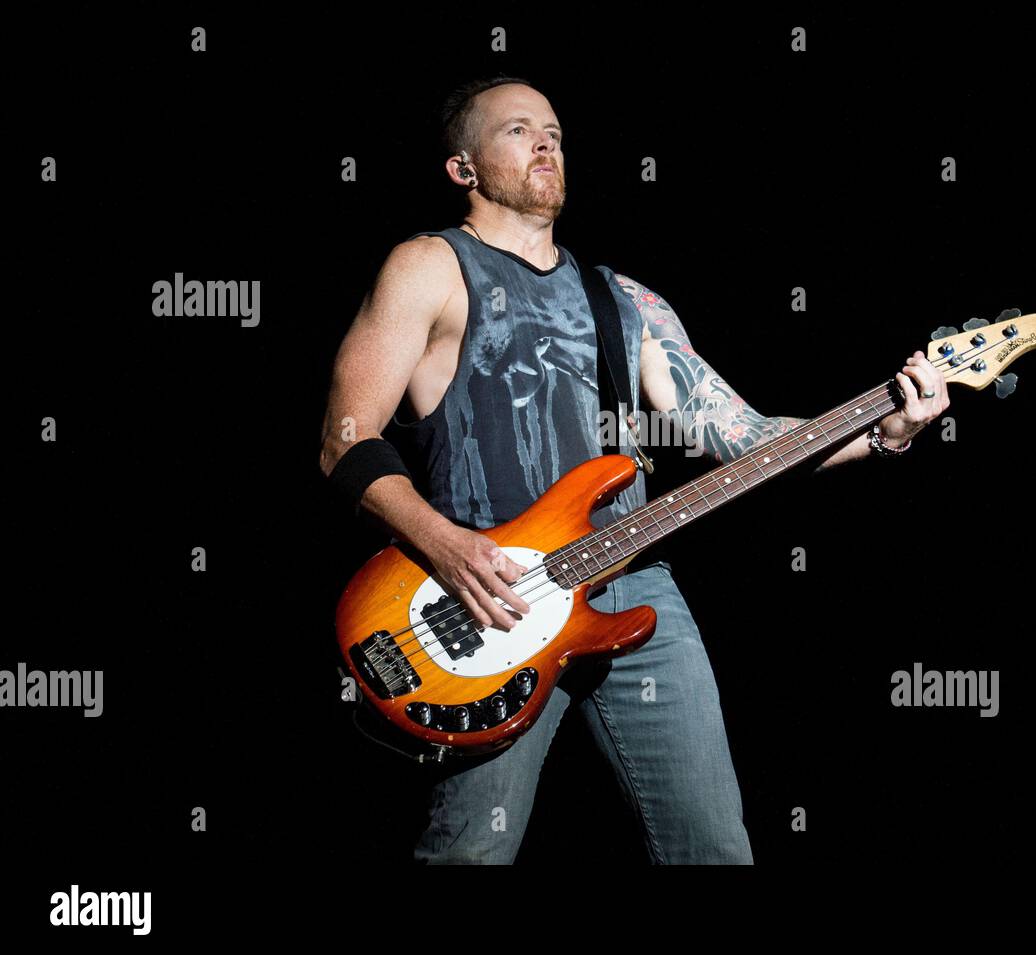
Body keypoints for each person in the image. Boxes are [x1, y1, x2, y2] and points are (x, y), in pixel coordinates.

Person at [318, 75, 950, 864]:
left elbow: (745, 437)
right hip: (485, 599)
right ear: (462, 168)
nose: (546, 142)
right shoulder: (429, 266)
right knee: (469, 854)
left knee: (714, 848)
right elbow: (346, 438)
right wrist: (447, 546)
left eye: (553, 130)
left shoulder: (623, 299)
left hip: (636, 587)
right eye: (517, 131)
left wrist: (886, 428)